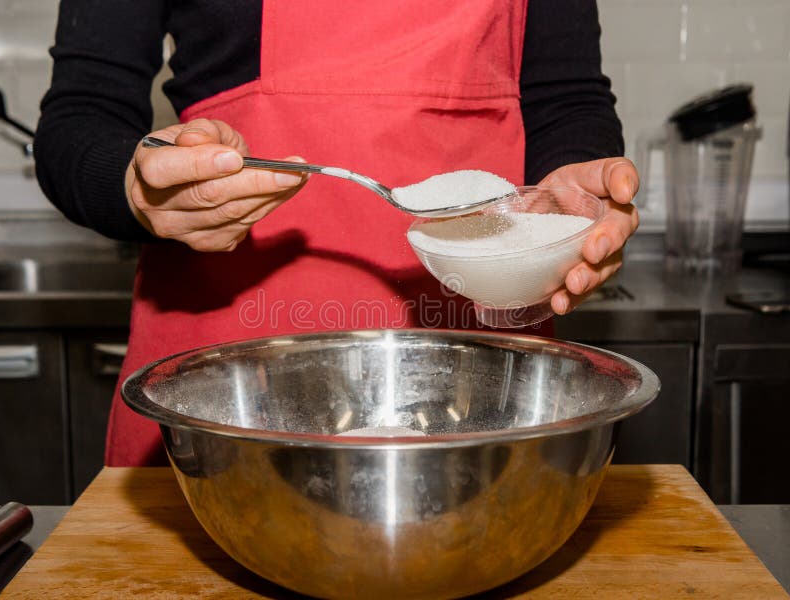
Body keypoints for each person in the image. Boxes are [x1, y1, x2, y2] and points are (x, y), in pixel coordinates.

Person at [35, 0, 639, 466]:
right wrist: (138, 188)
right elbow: (79, 118)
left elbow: (568, 98)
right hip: (225, 383)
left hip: (484, 376)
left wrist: (575, 202)